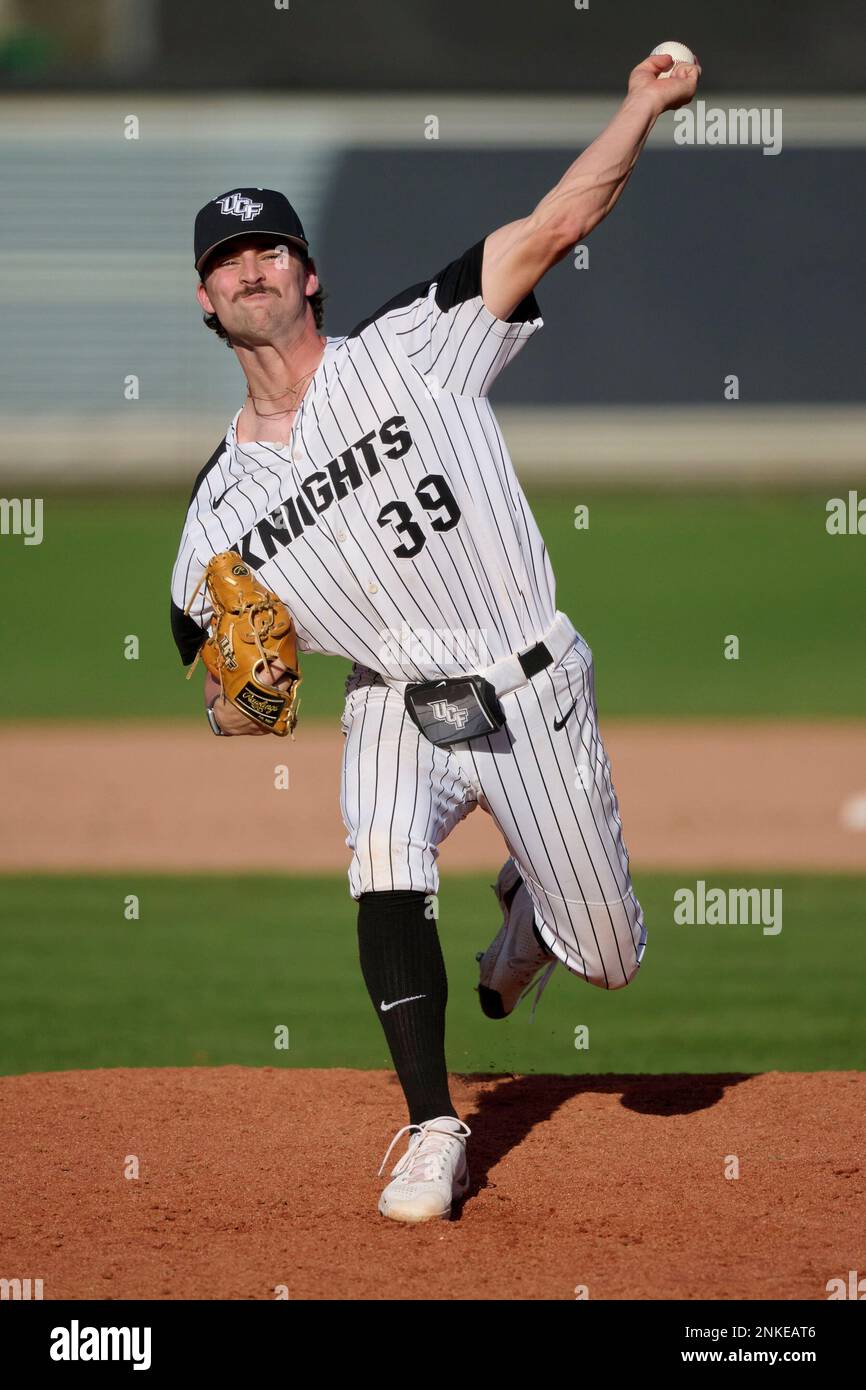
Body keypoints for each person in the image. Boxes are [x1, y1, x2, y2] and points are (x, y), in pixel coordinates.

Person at [170, 49, 701, 1224]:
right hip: (390, 701)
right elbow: (221, 688)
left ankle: (530, 919)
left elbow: (560, 218)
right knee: (381, 859)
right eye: (226, 261)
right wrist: (242, 698)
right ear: (204, 302)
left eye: (268, 250)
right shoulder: (214, 512)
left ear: (310, 273)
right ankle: (429, 1125)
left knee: (605, 954)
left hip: (528, 682)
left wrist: (640, 104)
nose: (250, 269)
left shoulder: (417, 343)